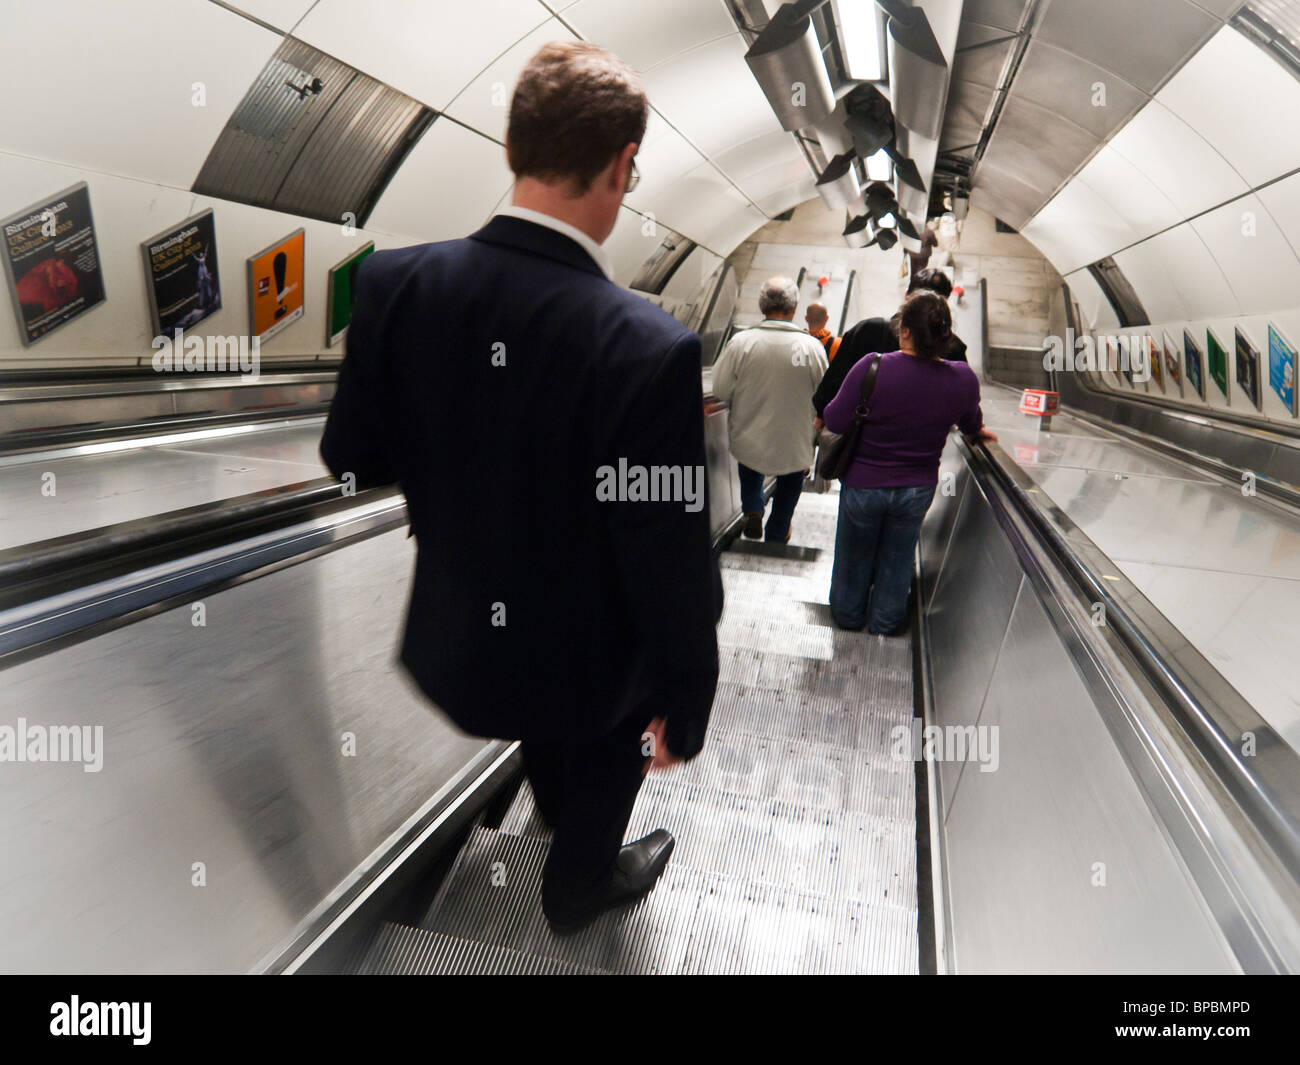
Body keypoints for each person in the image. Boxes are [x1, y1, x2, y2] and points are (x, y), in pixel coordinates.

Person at [320, 41, 722, 935]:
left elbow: (351, 458)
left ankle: (552, 807)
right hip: (590, 668)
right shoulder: (647, 347)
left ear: (510, 148)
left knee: (555, 725)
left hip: (458, 645)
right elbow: (667, 560)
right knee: (603, 734)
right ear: (622, 167)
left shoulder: (393, 283)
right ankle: (577, 887)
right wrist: (686, 701)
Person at [823, 291, 995, 634]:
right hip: (917, 488)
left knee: (854, 556)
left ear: (904, 331)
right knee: (898, 558)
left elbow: (835, 420)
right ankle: (884, 623)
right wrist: (980, 434)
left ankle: (848, 617)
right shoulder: (962, 378)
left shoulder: (872, 366)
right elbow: (972, 424)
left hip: (863, 483)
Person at [712, 277, 827, 543]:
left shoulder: (742, 342)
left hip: (750, 432)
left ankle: (753, 508)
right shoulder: (812, 347)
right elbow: (825, 393)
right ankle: (778, 530)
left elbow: (719, 388)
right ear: (795, 308)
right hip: (796, 437)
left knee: (750, 464)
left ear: (762, 306)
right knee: (791, 481)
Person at [812, 267, 965, 419]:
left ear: (907, 296)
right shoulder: (954, 349)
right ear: (944, 305)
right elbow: (963, 406)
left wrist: (822, 415)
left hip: (860, 432)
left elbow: (833, 384)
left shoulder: (868, 331)